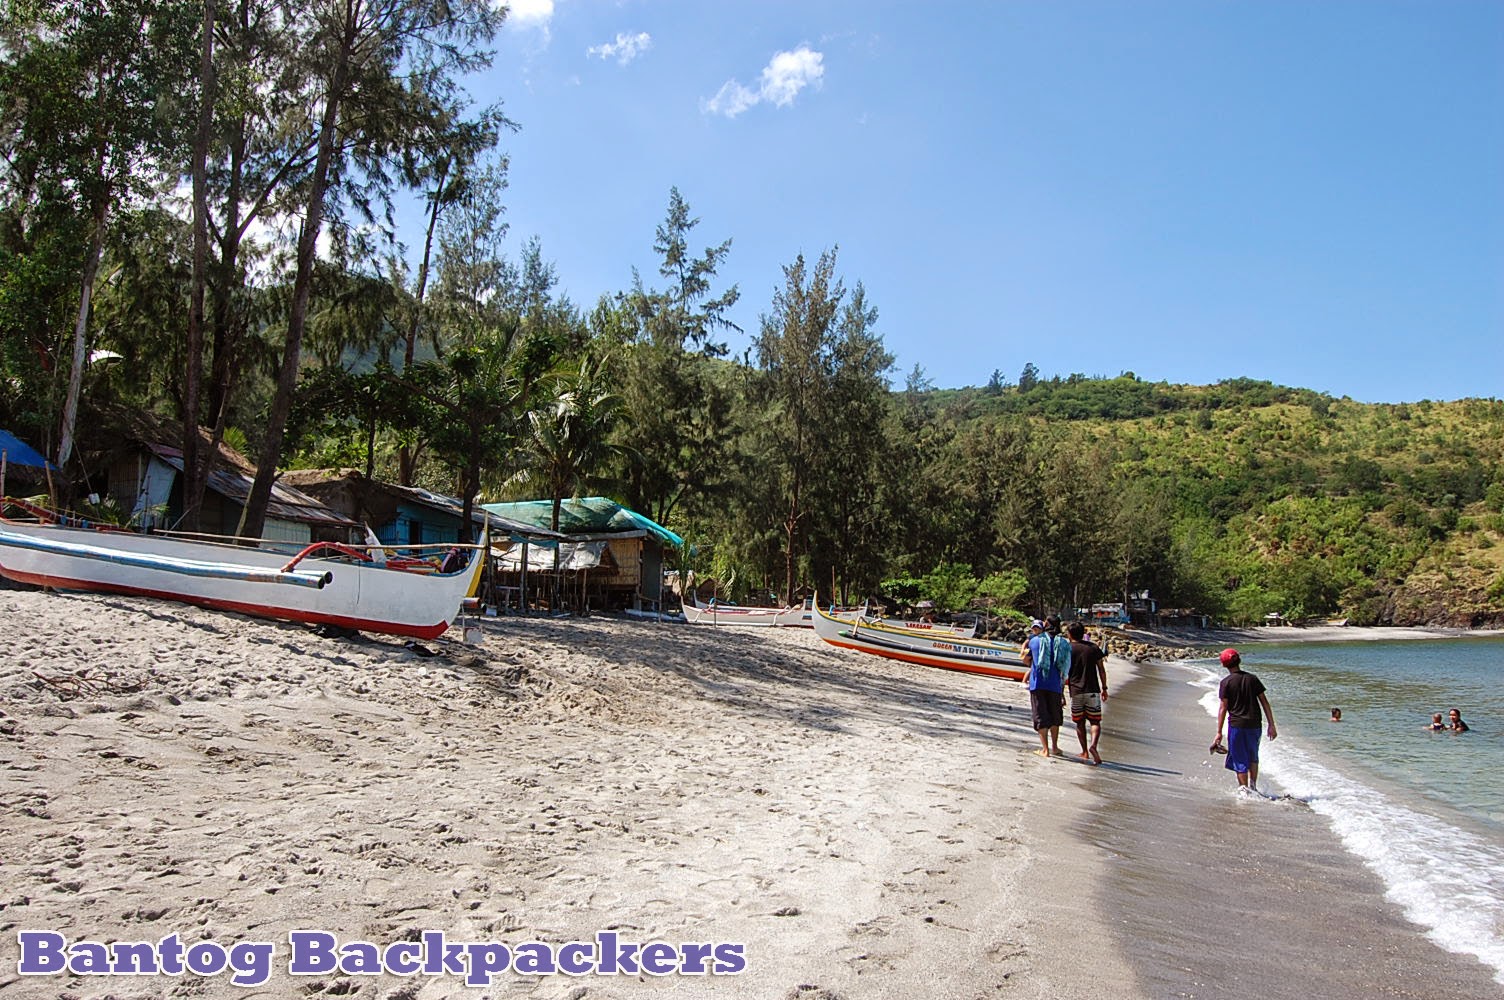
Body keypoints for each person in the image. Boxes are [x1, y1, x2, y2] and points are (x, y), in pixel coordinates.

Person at [1212, 648, 1277, 792]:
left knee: (1239, 758)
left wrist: (1218, 732)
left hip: (1237, 725)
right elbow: (1264, 702)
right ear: (1239, 661)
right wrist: (1271, 724)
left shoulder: (1226, 682)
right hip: (1255, 724)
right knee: (1253, 755)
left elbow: (1223, 708)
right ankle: (1253, 787)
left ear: (1224, 665)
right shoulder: (1252, 679)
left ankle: (1244, 790)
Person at [1027, 615, 1071, 758]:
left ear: (1046, 624)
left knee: (1041, 716)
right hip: (1055, 685)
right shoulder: (1064, 644)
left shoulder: (1035, 641)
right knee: (1054, 716)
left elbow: (1027, 660)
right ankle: (1055, 747)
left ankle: (1045, 749)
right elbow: (1065, 667)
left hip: (1038, 683)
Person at [1065, 620, 1108, 764]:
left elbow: (1064, 670)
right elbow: (1101, 669)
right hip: (1092, 690)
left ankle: (1084, 752)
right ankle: (1094, 746)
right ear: (1083, 633)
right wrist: (1105, 688)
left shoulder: (1068, 649)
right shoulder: (1093, 648)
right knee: (1095, 721)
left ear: (1069, 634)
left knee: (1079, 722)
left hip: (1076, 690)